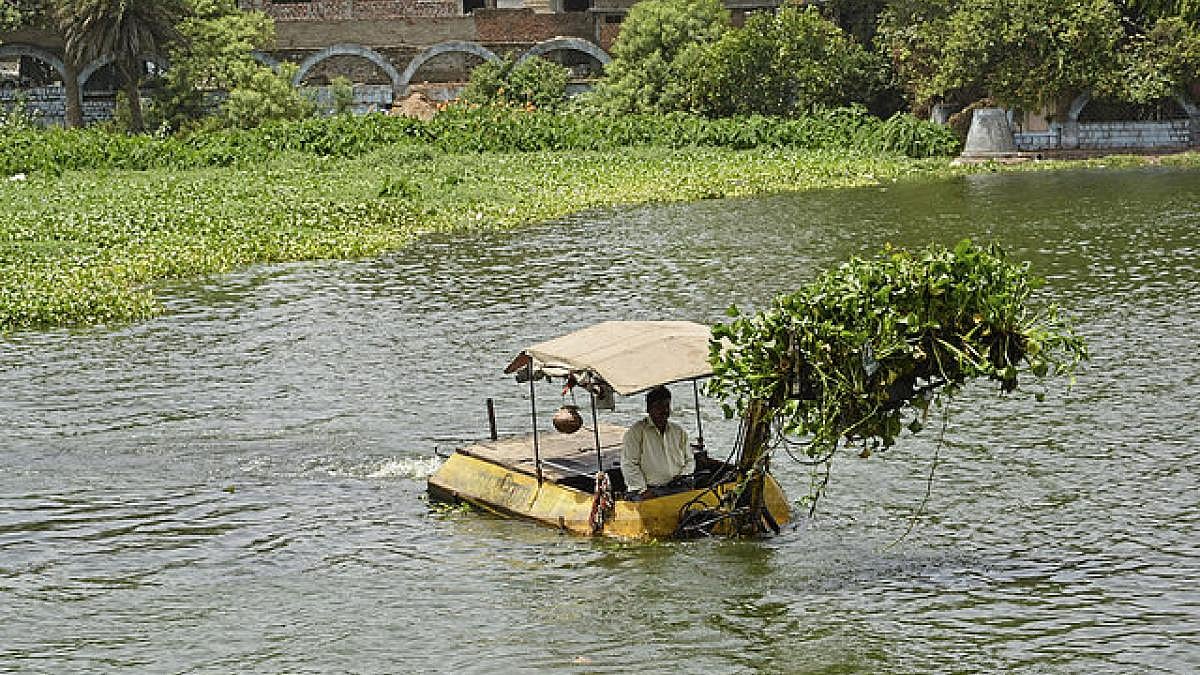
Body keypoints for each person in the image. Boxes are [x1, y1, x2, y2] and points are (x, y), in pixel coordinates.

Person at [620, 385, 694, 500]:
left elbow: (690, 459)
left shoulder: (678, 431)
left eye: (666, 406)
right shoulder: (636, 432)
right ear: (648, 409)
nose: (664, 410)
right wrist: (643, 490)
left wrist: (684, 476)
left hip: (678, 486)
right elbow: (629, 464)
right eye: (658, 406)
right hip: (650, 490)